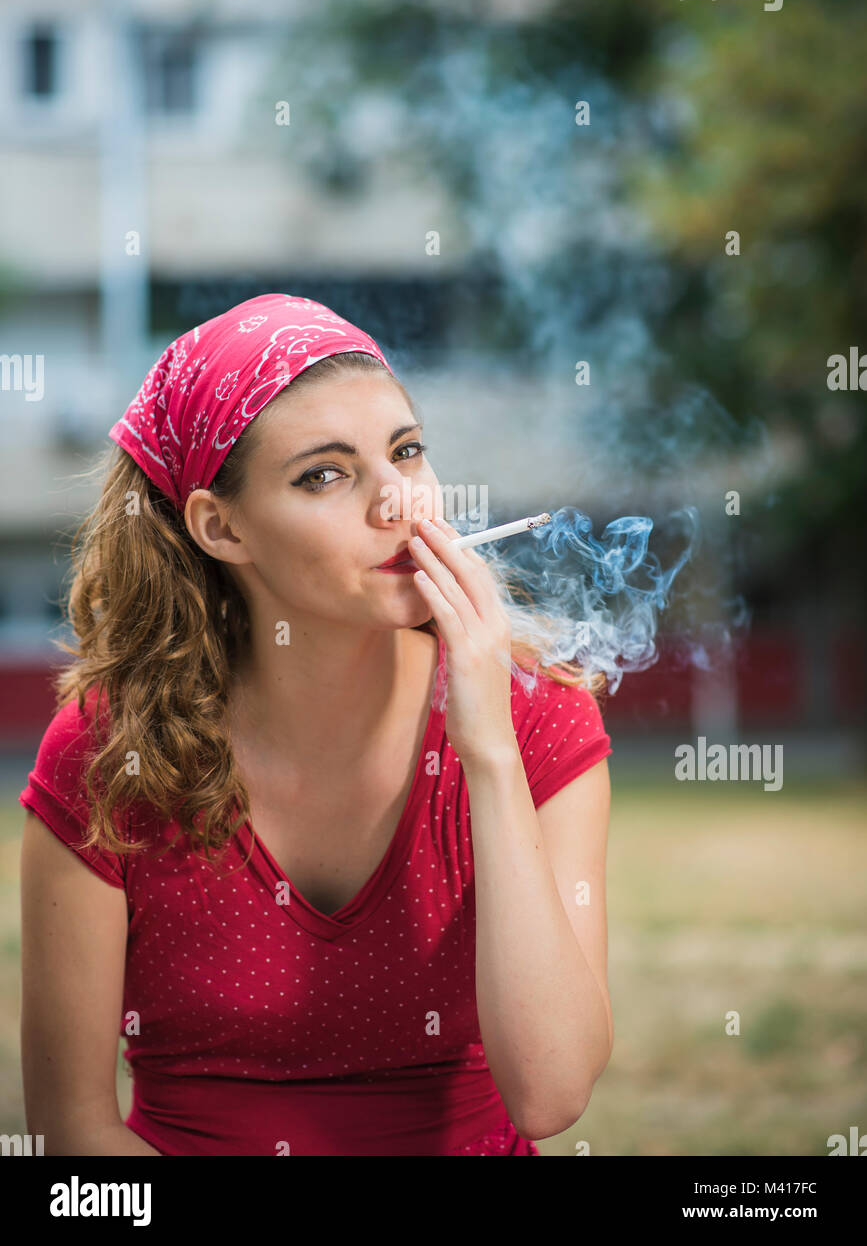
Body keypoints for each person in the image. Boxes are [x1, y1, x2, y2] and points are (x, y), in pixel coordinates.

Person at [19, 293, 613, 1156]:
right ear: (221, 527)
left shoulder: (535, 718)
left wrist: (485, 748)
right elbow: (73, 1133)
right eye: (324, 475)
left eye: (405, 453)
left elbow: (551, 1094)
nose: (398, 504)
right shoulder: (111, 754)